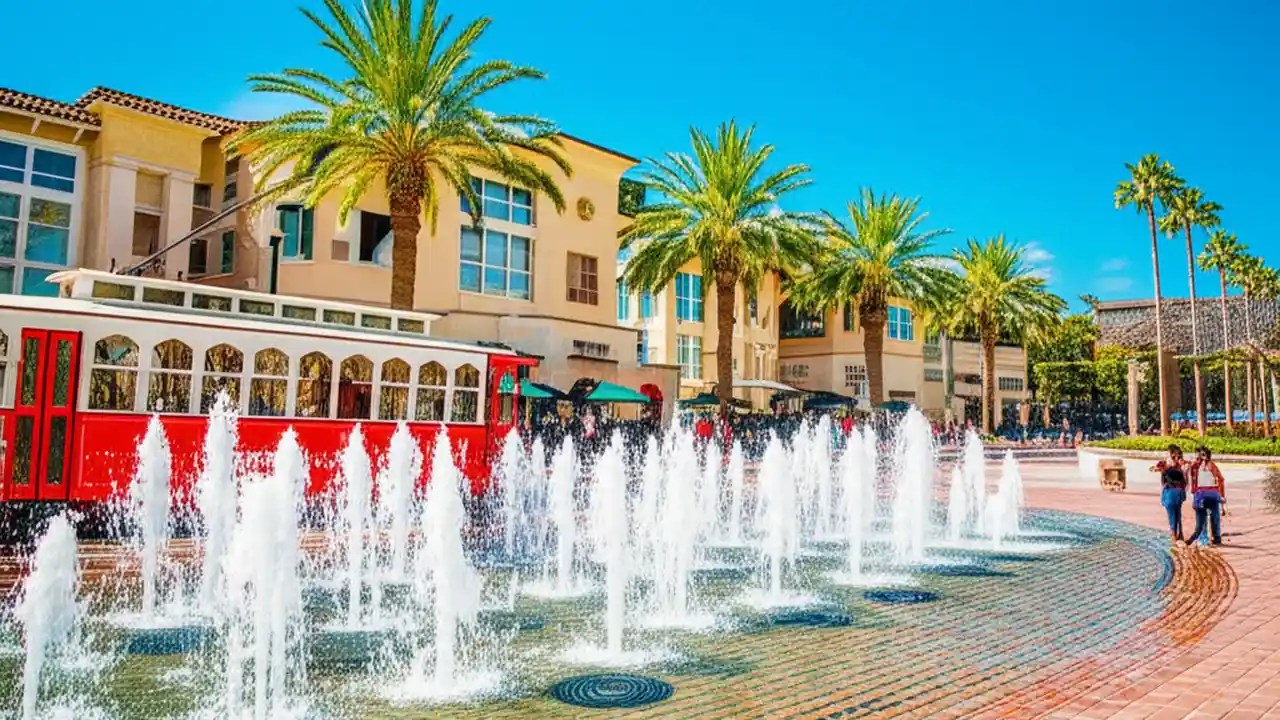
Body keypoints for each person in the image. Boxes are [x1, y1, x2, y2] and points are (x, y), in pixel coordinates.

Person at [1186, 445, 1226, 547]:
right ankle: (1214, 538)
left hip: (1202, 494)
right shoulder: (1199, 465)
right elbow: (1220, 479)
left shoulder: (1203, 465)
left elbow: (1220, 479)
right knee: (1213, 516)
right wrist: (1221, 496)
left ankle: (1206, 539)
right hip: (1209, 493)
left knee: (1206, 516)